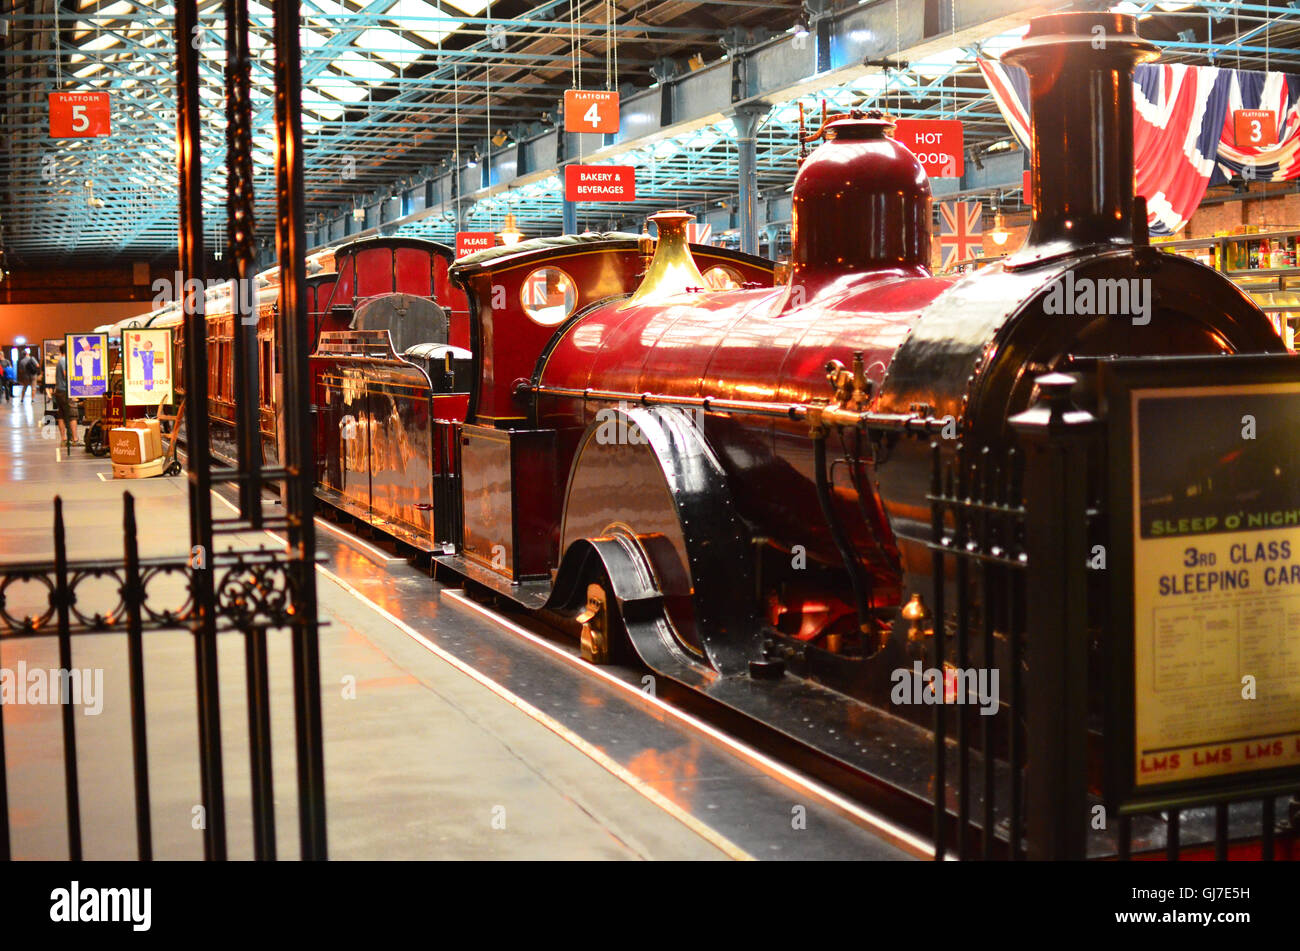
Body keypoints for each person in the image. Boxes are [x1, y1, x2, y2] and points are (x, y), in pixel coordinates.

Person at [53, 347, 78, 448]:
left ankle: (63, 438)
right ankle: (75, 439)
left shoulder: (60, 361)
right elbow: (66, 374)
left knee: (61, 415)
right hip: (65, 391)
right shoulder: (64, 361)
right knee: (72, 414)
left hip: (59, 390)